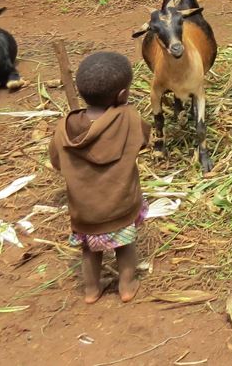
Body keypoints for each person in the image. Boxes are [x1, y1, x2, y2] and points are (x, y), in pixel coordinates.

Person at [49, 51, 149, 303]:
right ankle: (127, 286)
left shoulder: (64, 129)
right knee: (125, 246)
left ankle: (92, 290)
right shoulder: (129, 119)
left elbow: (56, 162)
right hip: (122, 205)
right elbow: (144, 141)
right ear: (123, 95)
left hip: (85, 213)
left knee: (89, 251)